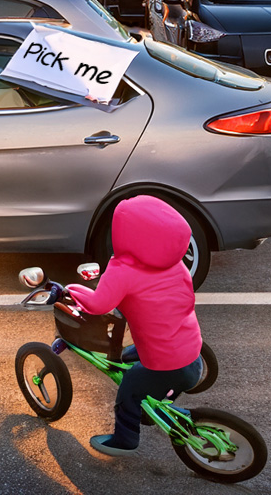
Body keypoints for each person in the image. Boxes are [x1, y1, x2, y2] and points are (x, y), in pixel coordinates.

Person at [66, 195, 203, 457]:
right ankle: (157, 402)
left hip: (166, 365)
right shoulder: (176, 265)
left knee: (128, 391)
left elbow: (98, 305)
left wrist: (73, 289)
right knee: (132, 357)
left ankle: (125, 440)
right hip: (193, 355)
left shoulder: (122, 270)